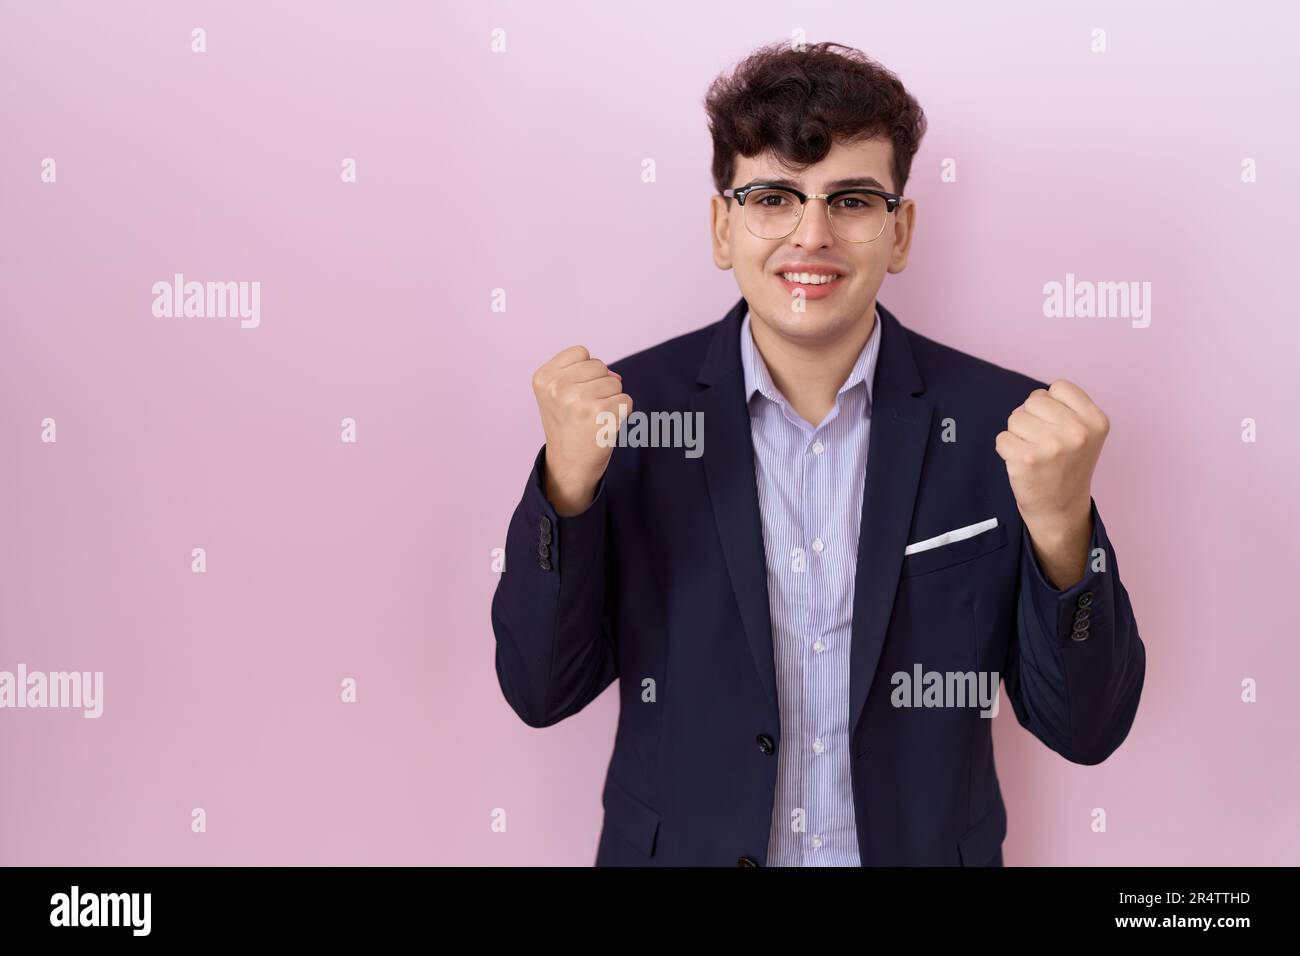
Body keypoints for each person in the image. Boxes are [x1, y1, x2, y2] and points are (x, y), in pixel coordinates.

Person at [490, 40, 1146, 866]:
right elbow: (541, 691)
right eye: (773, 197)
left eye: (852, 200)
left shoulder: (1008, 427)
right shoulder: (622, 419)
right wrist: (566, 494)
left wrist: (1062, 531)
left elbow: (1087, 730)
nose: (811, 234)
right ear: (722, 226)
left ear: (899, 231)